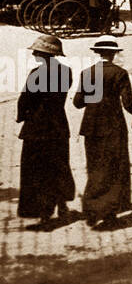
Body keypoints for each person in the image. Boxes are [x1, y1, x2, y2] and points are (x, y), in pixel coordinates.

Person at [17, 34, 76, 230]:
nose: (34, 53)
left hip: (38, 128)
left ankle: (44, 215)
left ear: (43, 53)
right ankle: (62, 205)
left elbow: (25, 99)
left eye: (37, 51)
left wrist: (22, 116)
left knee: (37, 170)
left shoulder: (36, 73)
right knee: (58, 166)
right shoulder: (66, 71)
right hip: (59, 125)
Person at [74, 39, 132, 228]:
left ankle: (91, 210)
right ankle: (109, 213)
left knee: (94, 167)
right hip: (113, 125)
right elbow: (128, 104)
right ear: (113, 54)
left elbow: (78, 102)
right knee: (113, 168)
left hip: (91, 126)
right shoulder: (120, 73)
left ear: (98, 53)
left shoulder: (87, 73)